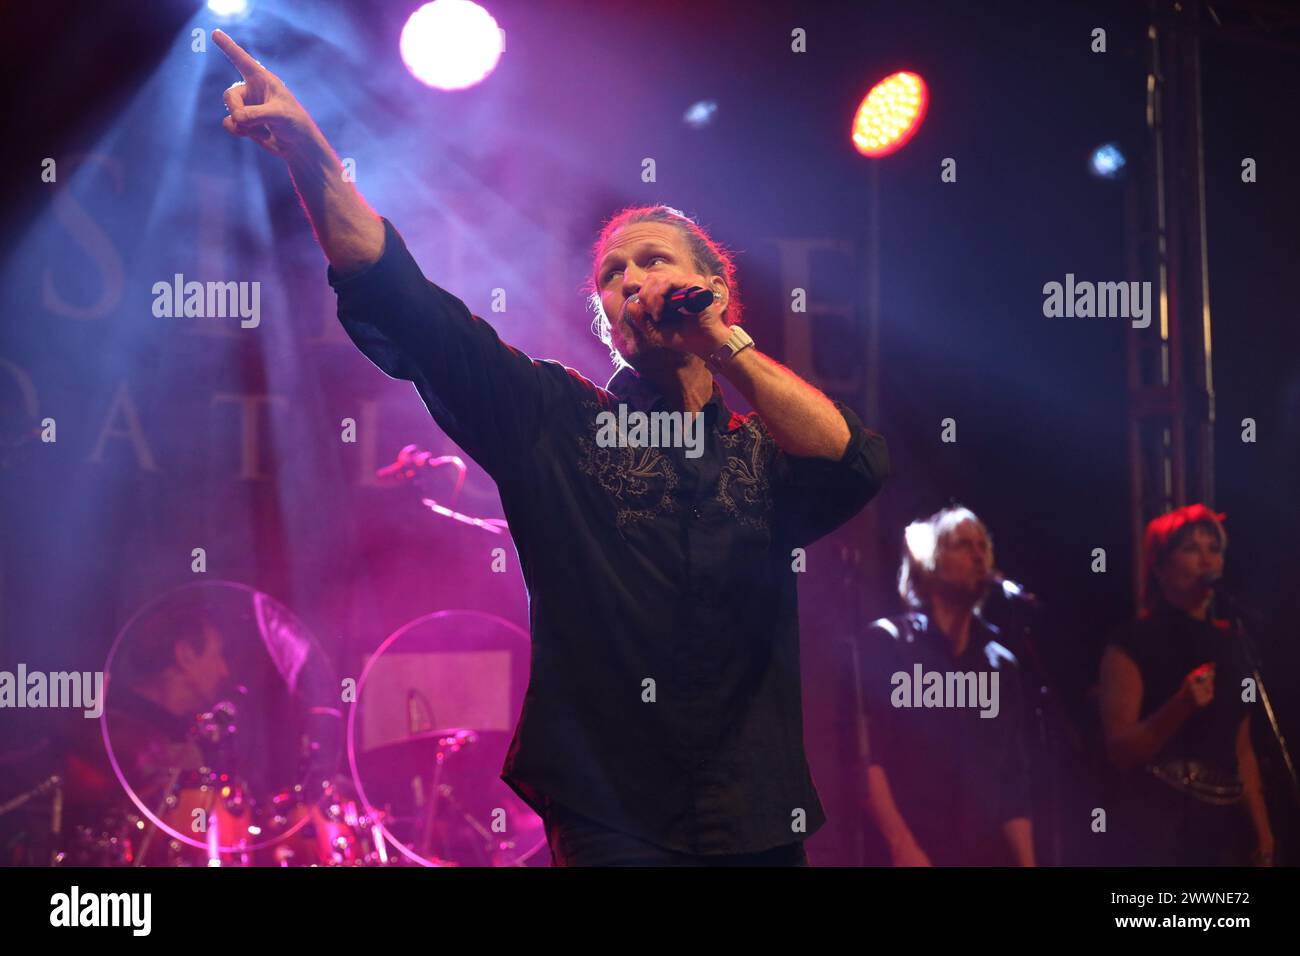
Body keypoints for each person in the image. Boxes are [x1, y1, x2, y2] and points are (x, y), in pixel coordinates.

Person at [212, 31, 889, 866]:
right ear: (603, 317)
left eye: (655, 261)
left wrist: (723, 343)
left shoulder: (761, 458)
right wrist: (312, 155)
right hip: (612, 818)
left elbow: (853, 462)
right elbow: (407, 305)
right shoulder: (552, 418)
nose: (635, 281)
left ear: (711, 287)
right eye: (613, 273)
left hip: (756, 818)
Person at [853, 506, 1035, 866]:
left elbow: (1013, 780)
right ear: (930, 560)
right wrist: (902, 846)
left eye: (983, 546)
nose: (978, 555)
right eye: (963, 544)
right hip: (908, 854)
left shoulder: (1001, 664)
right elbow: (867, 759)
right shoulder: (888, 643)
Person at [1097, 505, 1274, 866]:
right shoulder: (1132, 642)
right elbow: (1119, 750)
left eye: (1214, 549)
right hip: (1157, 830)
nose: (1206, 559)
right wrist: (1180, 706)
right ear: (1160, 567)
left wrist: (1263, 829)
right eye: (1191, 549)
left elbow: (1242, 750)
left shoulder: (1234, 643)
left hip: (1224, 833)